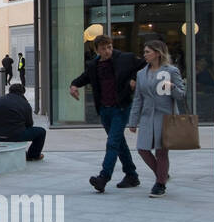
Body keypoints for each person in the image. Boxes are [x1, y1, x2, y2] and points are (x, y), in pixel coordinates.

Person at [70, 35, 144, 193]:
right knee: (118, 143)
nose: (107, 51)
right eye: (103, 48)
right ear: (96, 50)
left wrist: (133, 79)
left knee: (112, 142)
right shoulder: (93, 65)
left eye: (109, 47)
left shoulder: (125, 58)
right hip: (104, 109)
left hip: (121, 107)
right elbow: (84, 78)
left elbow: (143, 65)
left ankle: (103, 177)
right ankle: (131, 175)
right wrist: (74, 85)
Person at [127, 40, 187, 198]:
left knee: (161, 152)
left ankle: (160, 183)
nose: (144, 54)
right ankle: (163, 174)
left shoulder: (171, 71)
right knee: (142, 149)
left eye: (147, 51)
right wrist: (133, 121)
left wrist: (172, 87)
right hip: (147, 116)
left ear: (158, 53)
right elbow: (138, 98)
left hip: (165, 116)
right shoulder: (141, 73)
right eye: (145, 51)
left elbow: (181, 94)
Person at [0, 83, 45, 161]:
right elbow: (29, 124)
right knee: (41, 132)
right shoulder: (25, 104)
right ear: (23, 93)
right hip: (15, 135)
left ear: (10, 91)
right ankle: (33, 155)